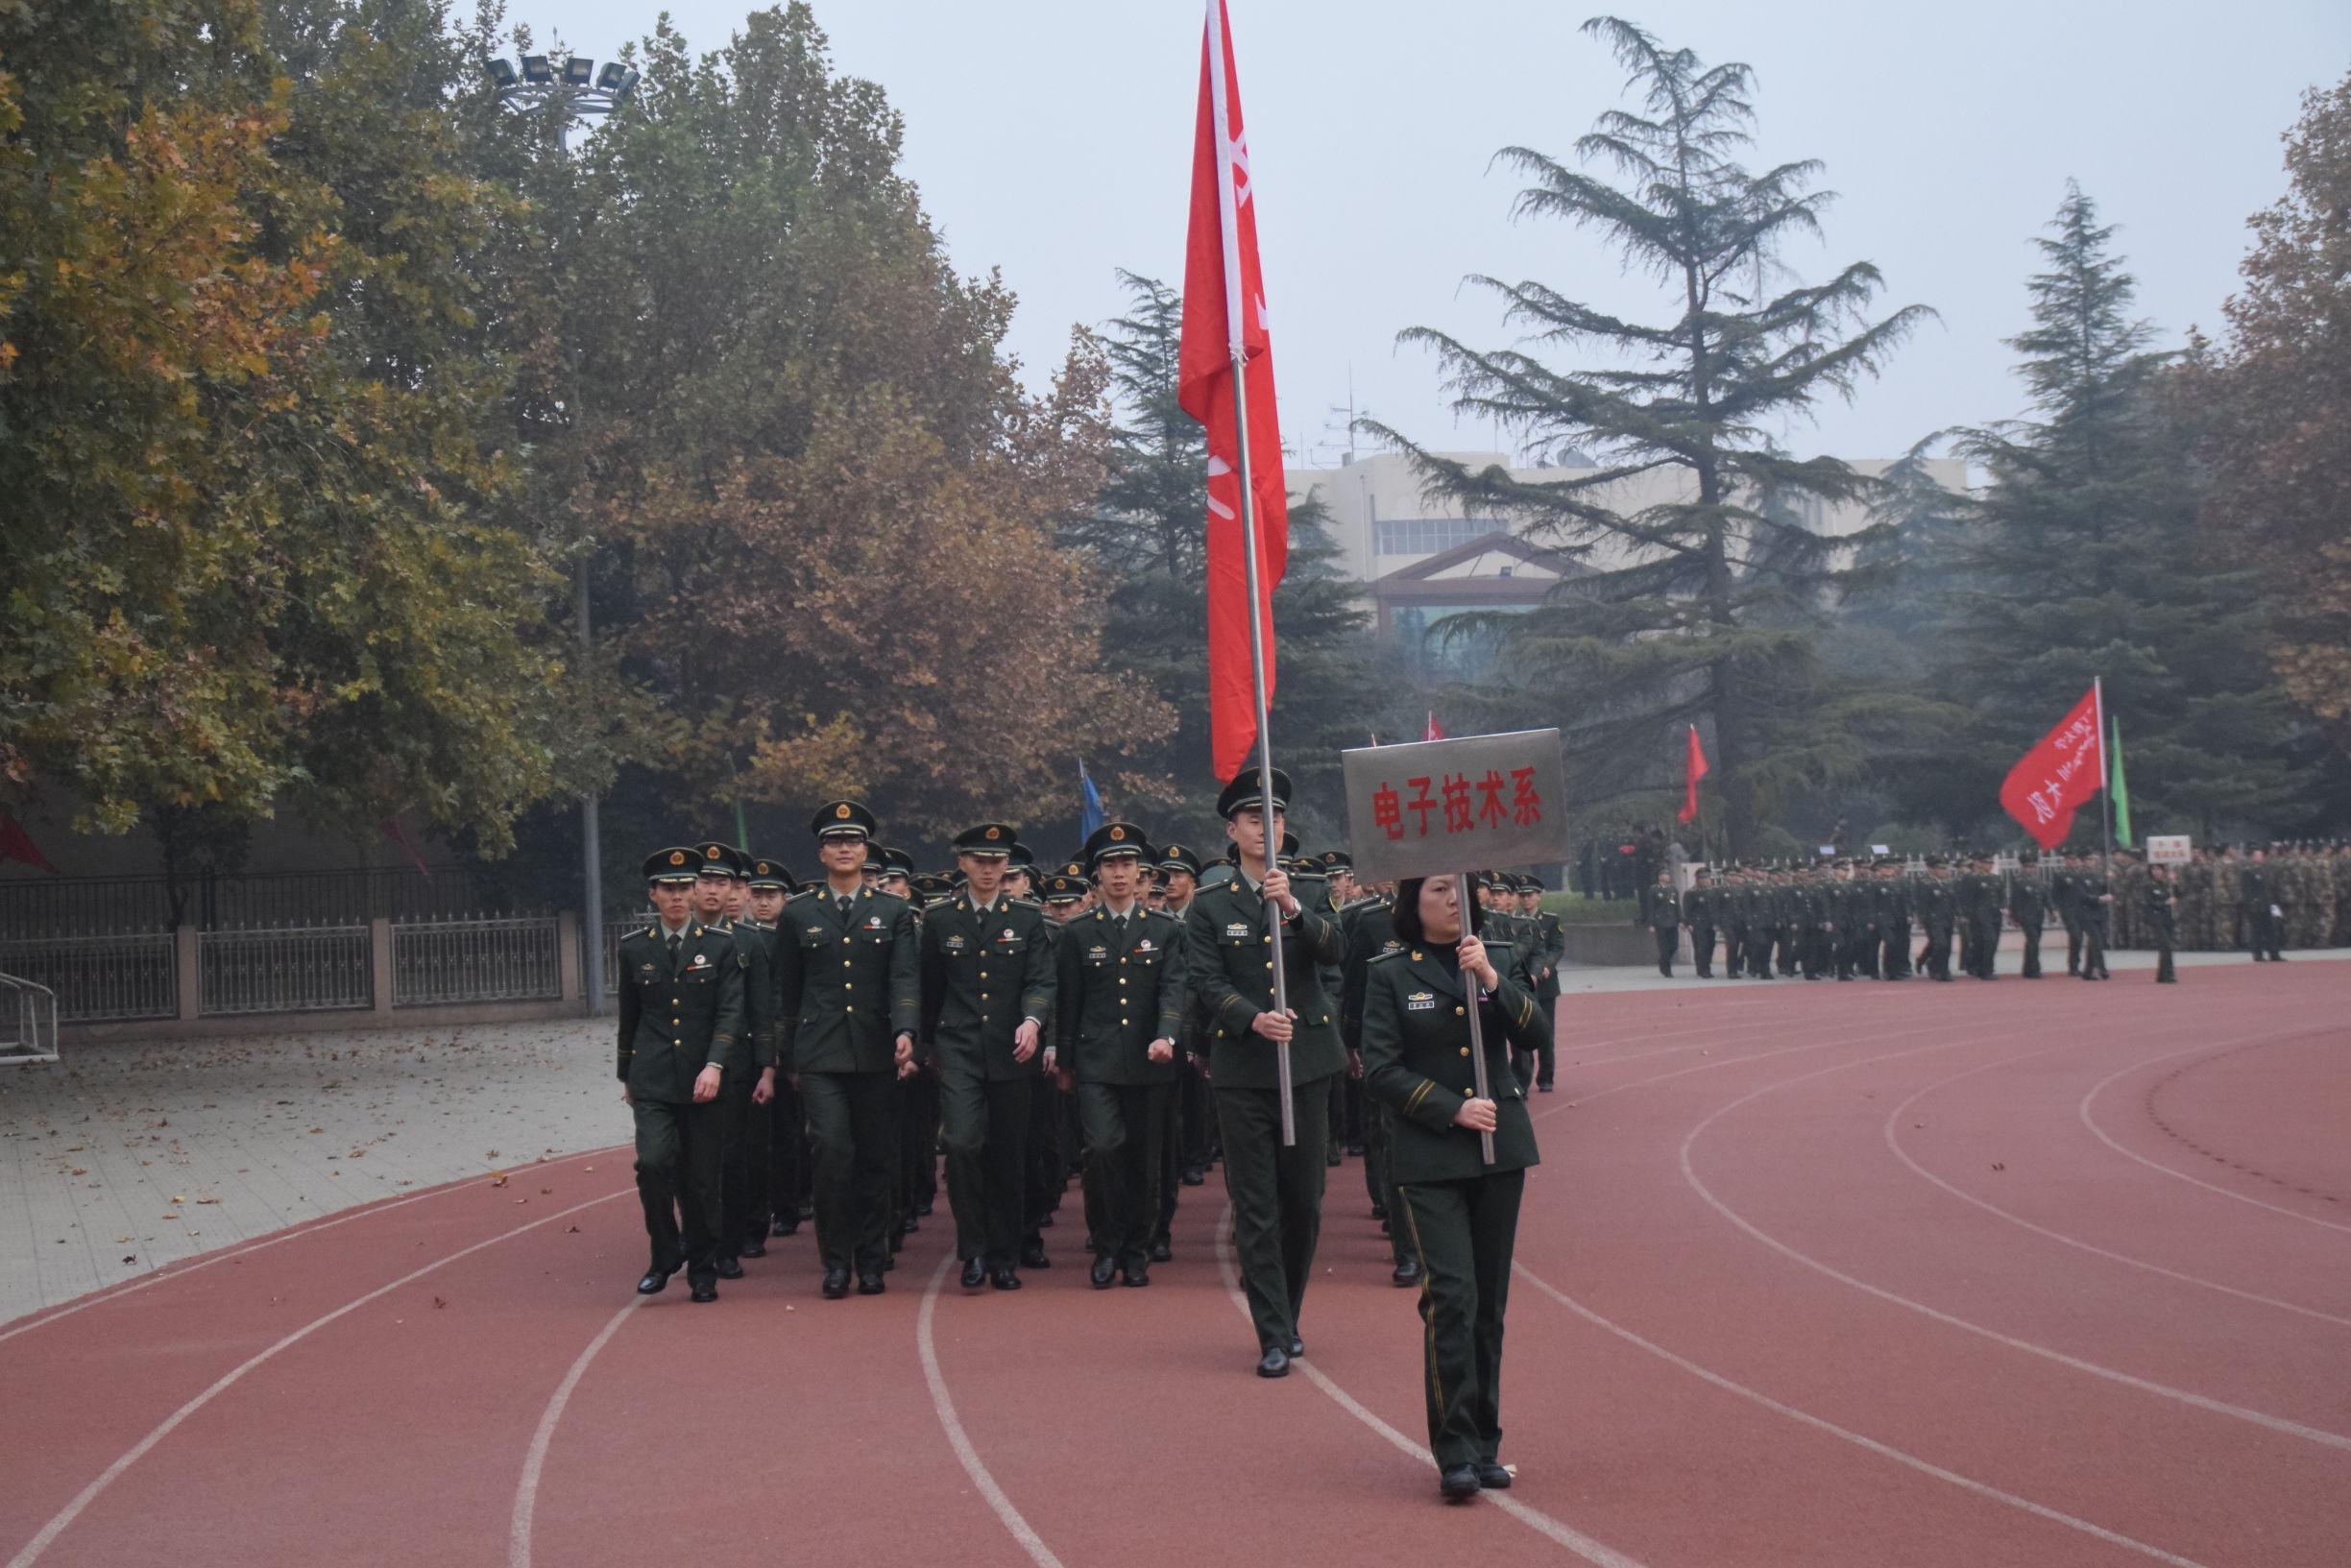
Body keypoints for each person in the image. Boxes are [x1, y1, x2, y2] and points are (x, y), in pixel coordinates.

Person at [1359, 874, 1551, 1502]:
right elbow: (1381, 1068)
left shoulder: (1494, 956)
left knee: (1490, 1301)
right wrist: (1451, 1108)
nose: (1451, 898)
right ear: (1413, 903)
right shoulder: (1390, 973)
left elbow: (1536, 1033)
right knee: (1452, 1296)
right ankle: (1454, 1449)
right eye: (1439, 888)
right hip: (1430, 1152)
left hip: (1501, 1152)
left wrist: (1493, 981)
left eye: (1458, 889)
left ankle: (1486, 1442)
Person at [1183, 766, 1345, 1379]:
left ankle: (1290, 1310)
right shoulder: (1210, 904)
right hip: (1244, 1068)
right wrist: (1252, 1018)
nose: (1266, 827)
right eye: (1255, 819)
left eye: (1275, 817)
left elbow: (1336, 951)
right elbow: (1206, 980)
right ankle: (1272, 1331)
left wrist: (1294, 909)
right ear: (1233, 830)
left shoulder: (1306, 889)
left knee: (1303, 1200)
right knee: (1256, 1204)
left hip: (1306, 1063)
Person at [773, 801, 921, 1300]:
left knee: (876, 1157)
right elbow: (786, 991)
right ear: (821, 853)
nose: (844, 848)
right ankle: (835, 1263)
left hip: (877, 1048)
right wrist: (785, 1056)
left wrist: (906, 1029)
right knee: (832, 1152)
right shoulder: (797, 914)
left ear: (865, 851)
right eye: (835, 841)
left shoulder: (894, 911)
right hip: (818, 1052)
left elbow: (903, 977)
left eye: (853, 841)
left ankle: (872, 1260)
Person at [921, 823, 1057, 1291]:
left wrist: (1033, 1020)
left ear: (1008, 867)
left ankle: (1005, 1253)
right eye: (979, 860)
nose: (988, 869)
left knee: (1009, 1155)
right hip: (958, 1047)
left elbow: (1040, 980)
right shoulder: (939, 919)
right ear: (962, 863)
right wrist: (923, 1047)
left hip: (1010, 1049)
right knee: (960, 1143)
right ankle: (972, 1249)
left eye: (997, 861)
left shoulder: (1026, 917)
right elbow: (929, 987)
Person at [1056, 822, 1188, 1288]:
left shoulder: (1165, 930)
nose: (1119, 873)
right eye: (1110, 865)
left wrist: (1167, 1036)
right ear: (1097, 875)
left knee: (1145, 1160)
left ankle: (1138, 1249)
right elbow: (1067, 1001)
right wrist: (1065, 1061)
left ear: (1141, 874)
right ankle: (1106, 1243)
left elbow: (1175, 989)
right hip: (1096, 1062)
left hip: (1150, 1061)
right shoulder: (1076, 934)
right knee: (1102, 1149)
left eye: (1127, 864)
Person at [616, 847, 747, 1303]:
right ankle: (665, 1252)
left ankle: (703, 1269)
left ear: (694, 893)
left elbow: (730, 1013)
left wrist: (715, 1064)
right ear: (653, 894)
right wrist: (625, 1074)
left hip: (703, 1079)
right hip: (652, 1078)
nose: (676, 896)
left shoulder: (722, 945)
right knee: (652, 1164)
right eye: (667, 889)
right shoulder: (635, 948)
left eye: (683, 888)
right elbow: (628, 1016)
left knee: (701, 1179)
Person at [2242, 848, 2286, 962]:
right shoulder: (2248, 871)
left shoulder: (2267, 870)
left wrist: (2275, 903)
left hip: (2269, 904)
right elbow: (2246, 890)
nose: (2260, 857)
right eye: (2257, 855)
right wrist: (2251, 903)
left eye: (2261, 855)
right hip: (2256, 906)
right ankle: (2258, 954)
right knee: (2257, 931)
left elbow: (2271, 888)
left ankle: (2274, 953)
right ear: (2253, 857)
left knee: (2272, 930)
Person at [2146, 864, 2179, 983]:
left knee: (2164, 948)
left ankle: (2161, 975)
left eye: (2159, 869)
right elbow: (2150, 903)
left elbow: (2177, 895)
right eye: (2154, 869)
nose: (2157, 872)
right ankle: (2169, 974)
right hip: (2156, 919)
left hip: (2167, 919)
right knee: (2166, 946)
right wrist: (2165, 902)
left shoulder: (2166, 885)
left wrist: (2174, 882)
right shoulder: (2149, 885)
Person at [1647, 869, 1681, 977]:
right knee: (1664, 947)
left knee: (1674, 945)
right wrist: (1651, 924)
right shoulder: (1654, 890)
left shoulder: (1672, 889)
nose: (1667, 877)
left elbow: (1676, 905)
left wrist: (1680, 920)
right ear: (1660, 877)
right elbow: (1651, 907)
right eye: (1665, 875)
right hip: (1660, 922)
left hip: (1672, 921)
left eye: (1668, 875)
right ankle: (1667, 970)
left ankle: (1663, 961)